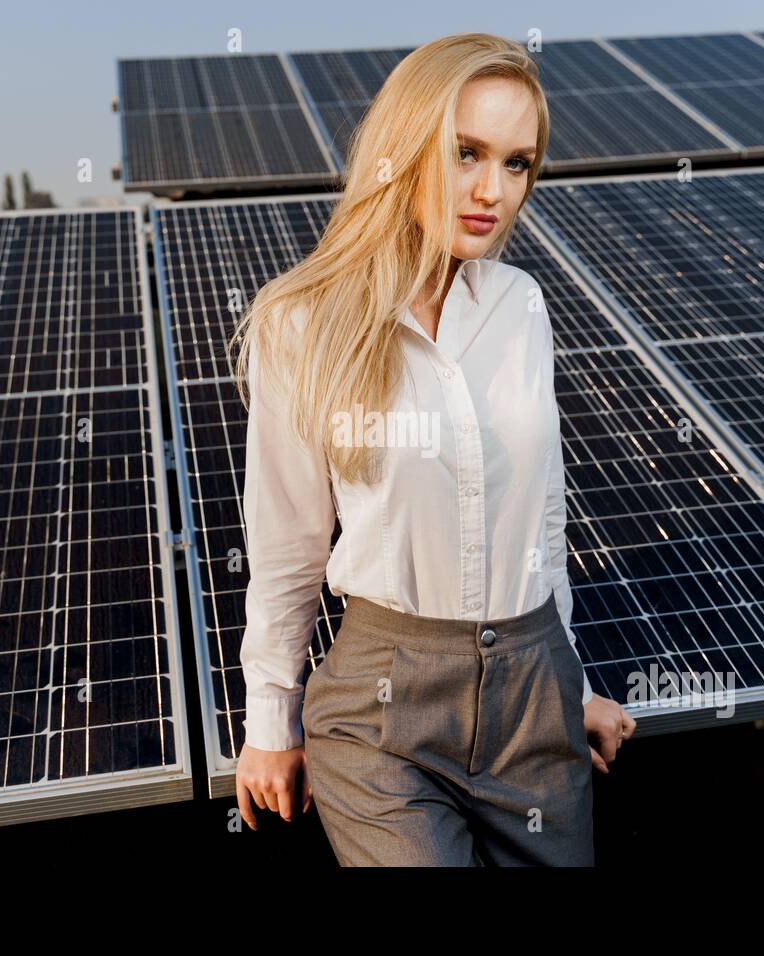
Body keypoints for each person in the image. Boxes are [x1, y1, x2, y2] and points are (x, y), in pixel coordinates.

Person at [229, 32, 635, 866]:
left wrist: (574, 686)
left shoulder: (521, 305)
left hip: (535, 693)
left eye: (518, 163)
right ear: (406, 145)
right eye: (466, 153)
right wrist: (271, 722)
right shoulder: (298, 324)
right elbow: (288, 547)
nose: (493, 189)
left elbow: (543, 524)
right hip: (385, 715)